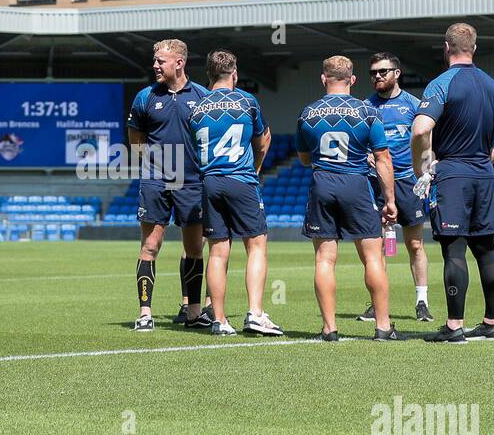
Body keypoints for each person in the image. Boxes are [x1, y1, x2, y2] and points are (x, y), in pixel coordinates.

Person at [410, 23, 494, 343]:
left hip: (452, 176)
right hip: (483, 175)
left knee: (454, 251)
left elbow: (420, 130)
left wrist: (422, 165)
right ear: (474, 48)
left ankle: (453, 326)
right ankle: (492, 323)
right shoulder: (493, 85)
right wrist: (489, 158)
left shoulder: (442, 83)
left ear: (446, 48)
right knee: (486, 249)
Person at [297, 55, 399, 342]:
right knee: (372, 258)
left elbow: (304, 159)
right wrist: (389, 200)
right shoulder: (367, 112)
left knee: (325, 260)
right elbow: (383, 157)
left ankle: (329, 329)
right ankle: (382, 327)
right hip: (356, 185)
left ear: (323, 79)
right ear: (352, 80)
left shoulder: (308, 113)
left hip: (322, 184)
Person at [188, 50, 281, 337]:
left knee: (217, 251)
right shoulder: (247, 101)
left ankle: (219, 319)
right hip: (241, 179)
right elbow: (263, 138)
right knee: (256, 245)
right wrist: (255, 167)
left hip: (210, 182)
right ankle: (254, 312)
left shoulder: (197, 108)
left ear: (209, 76)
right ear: (235, 74)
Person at [127, 39, 212, 332]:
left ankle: (194, 312)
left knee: (193, 249)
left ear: (179, 63)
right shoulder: (144, 98)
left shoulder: (203, 96)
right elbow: (136, 140)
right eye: (155, 60)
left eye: (160, 61)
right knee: (150, 246)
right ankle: (145, 313)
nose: (155, 66)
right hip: (156, 181)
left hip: (192, 182)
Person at [360, 51, 432, 323]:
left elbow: (427, 142)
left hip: (407, 182)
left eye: (382, 71)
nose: (377, 76)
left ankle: (422, 301)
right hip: (376, 183)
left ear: (397, 73)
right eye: (373, 73)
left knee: (414, 244)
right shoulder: (365, 107)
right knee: (377, 247)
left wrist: (427, 173)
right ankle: (377, 304)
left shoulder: (414, 105)